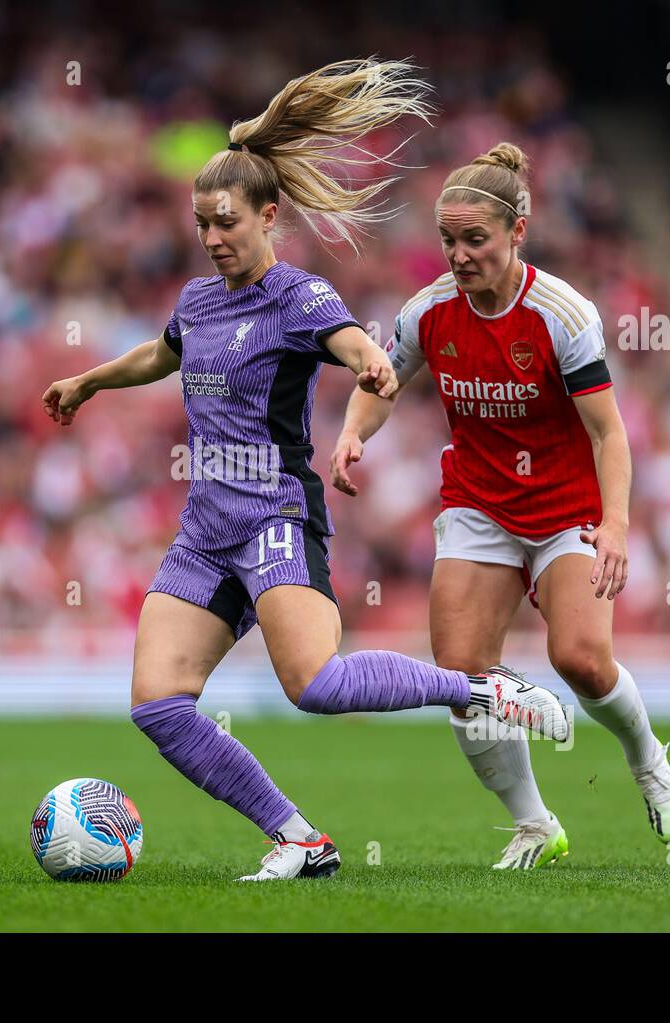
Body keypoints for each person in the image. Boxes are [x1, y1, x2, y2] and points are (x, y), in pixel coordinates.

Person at [42, 63, 568, 882]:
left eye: (226, 222)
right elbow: (162, 352)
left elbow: (353, 338)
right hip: (205, 529)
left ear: (268, 215)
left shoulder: (296, 295)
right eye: (201, 224)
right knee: (155, 700)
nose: (214, 238)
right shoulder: (199, 298)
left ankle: (481, 691)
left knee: (315, 685)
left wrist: (373, 368)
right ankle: (297, 837)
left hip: (275, 515)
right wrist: (90, 380)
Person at [332, 142, 670, 869]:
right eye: (448, 240)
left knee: (582, 661)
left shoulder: (563, 314)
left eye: (475, 239)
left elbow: (607, 430)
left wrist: (616, 523)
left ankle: (648, 757)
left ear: (517, 231)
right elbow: (381, 381)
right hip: (479, 504)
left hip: (567, 508)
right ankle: (535, 824)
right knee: (463, 674)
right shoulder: (427, 312)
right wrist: (350, 433)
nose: (459, 255)